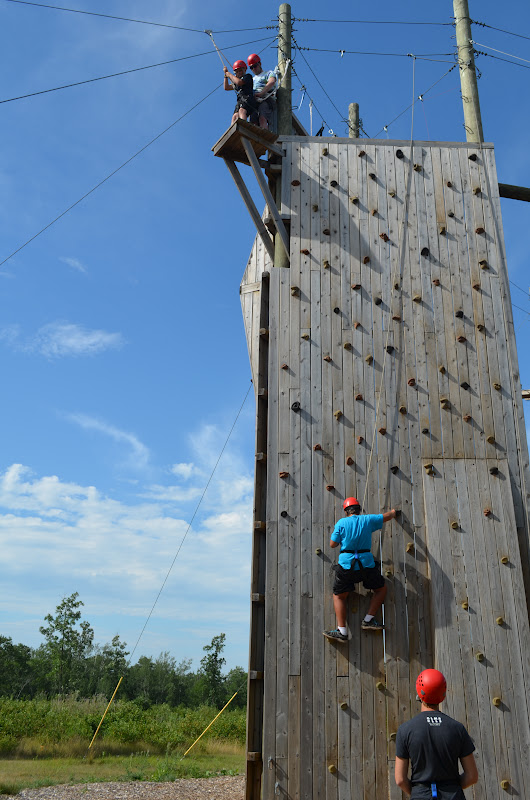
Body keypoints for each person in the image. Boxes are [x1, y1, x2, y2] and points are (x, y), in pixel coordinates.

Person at [395, 669, 478, 799]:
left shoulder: (405, 730)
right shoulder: (457, 728)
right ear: (443, 694)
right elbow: (472, 776)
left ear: (419, 692)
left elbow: (400, 779)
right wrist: (451, 789)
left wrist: (419, 793)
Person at [323, 497, 397, 641]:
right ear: (359, 509)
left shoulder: (341, 523)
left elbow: (332, 544)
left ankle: (342, 631)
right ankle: (368, 619)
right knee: (380, 589)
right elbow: (386, 516)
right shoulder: (368, 520)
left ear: (346, 511)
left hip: (346, 565)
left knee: (339, 595)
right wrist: (394, 512)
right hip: (366, 565)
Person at [247, 53, 276, 130]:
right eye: (251, 67)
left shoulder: (268, 73)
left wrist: (261, 93)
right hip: (254, 100)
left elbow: (271, 82)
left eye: (255, 66)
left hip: (265, 98)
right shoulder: (252, 80)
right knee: (253, 121)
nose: (253, 69)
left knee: (262, 118)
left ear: (259, 64)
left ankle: (264, 134)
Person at [223, 60, 258, 125]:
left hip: (248, 98)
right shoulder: (236, 81)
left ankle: (243, 126)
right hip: (240, 100)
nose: (239, 73)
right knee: (235, 116)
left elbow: (239, 82)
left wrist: (230, 75)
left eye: (240, 70)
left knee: (242, 111)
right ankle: (233, 131)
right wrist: (226, 75)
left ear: (245, 70)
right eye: (237, 71)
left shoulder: (247, 77)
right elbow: (226, 87)